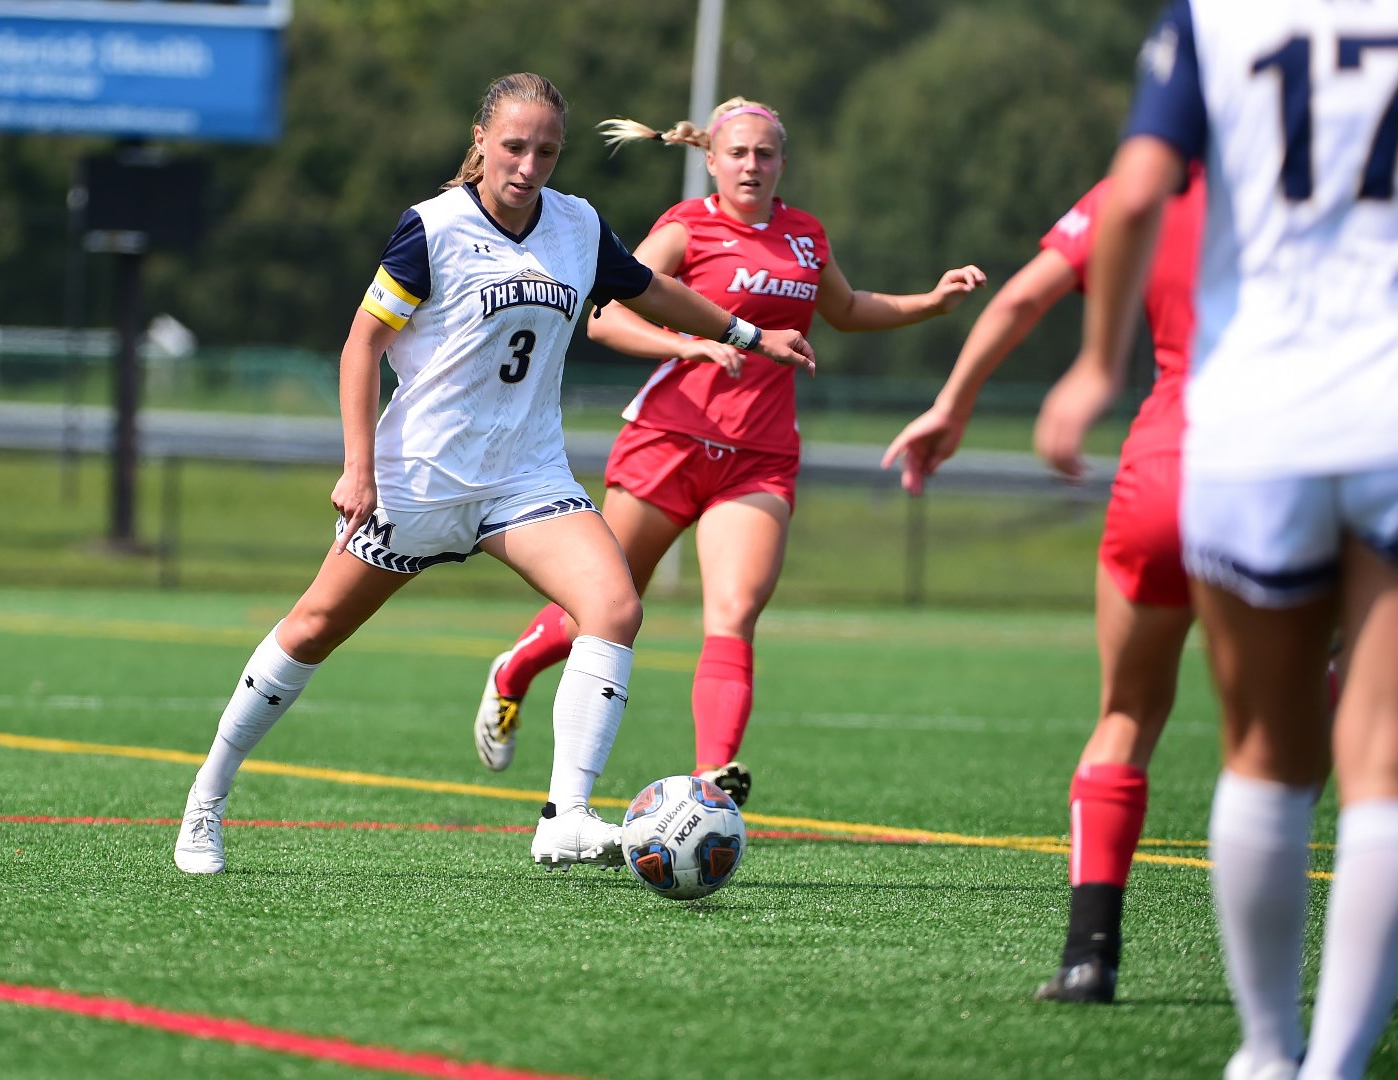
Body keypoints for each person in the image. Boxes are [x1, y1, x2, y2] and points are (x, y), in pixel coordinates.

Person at [172, 73, 815, 875]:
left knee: (614, 607)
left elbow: (653, 291)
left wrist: (748, 336)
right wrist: (357, 469)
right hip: (422, 478)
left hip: (525, 477)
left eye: (546, 151)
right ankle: (206, 798)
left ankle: (565, 818)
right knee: (311, 629)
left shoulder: (577, 224)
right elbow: (361, 345)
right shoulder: (432, 228)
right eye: (513, 146)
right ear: (480, 141)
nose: (528, 165)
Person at [1033, 3, 1398, 1077]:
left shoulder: (1213, 16)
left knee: (1263, 754)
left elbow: (1138, 188)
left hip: (1256, 420)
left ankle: (1267, 1051)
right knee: (1379, 763)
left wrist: (1097, 366)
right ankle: (1335, 1064)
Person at [471, 97, 984, 806]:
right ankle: (515, 671)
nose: (751, 165)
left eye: (764, 154)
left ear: (782, 163)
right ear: (709, 159)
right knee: (602, 603)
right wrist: (689, 345)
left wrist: (931, 302)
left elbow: (844, 310)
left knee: (734, 611)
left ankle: (711, 779)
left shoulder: (805, 235)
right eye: (737, 153)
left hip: (759, 456)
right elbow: (605, 319)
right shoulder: (686, 227)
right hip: (668, 442)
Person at [883, 167, 1204, 1005]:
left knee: (1124, 716)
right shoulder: (1344, 173)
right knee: (1298, 738)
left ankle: (1088, 957)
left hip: (1168, 461)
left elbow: (1023, 297)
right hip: (1294, 467)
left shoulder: (1144, 181)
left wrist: (953, 404)